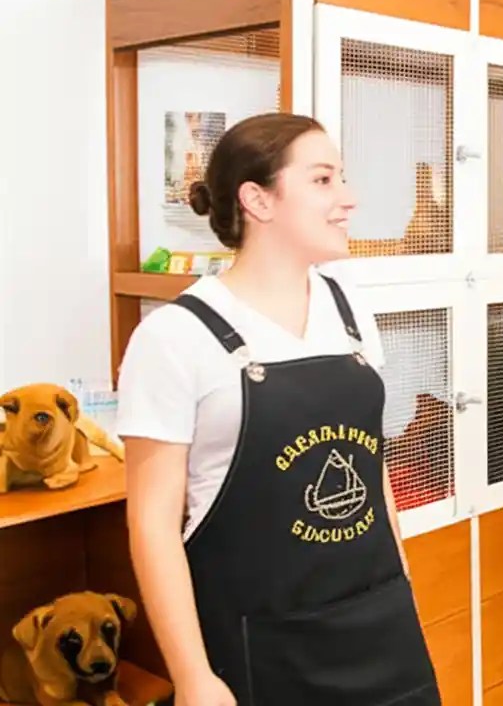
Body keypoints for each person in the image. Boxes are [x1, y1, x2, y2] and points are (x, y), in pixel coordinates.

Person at [117, 112, 442, 705]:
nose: (348, 199)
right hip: (260, 644)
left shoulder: (348, 310)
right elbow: (151, 527)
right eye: (323, 180)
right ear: (257, 200)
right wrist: (192, 677)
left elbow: (373, 473)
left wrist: (405, 591)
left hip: (379, 625)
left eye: (341, 178)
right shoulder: (175, 337)